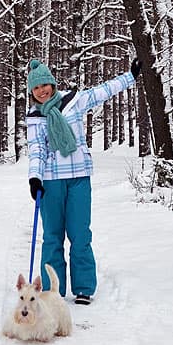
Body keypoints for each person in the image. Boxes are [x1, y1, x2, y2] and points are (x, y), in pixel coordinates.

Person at [25, 56, 142, 305]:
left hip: (78, 177)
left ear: (52, 83)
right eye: (36, 88)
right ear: (32, 92)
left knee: (80, 235)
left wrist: (130, 77)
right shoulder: (35, 118)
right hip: (51, 181)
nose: (42, 91)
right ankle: (52, 291)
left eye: (44, 84)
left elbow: (102, 92)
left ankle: (84, 288)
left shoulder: (73, 101)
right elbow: (37, 150)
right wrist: (34, 178)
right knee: (52, 237)